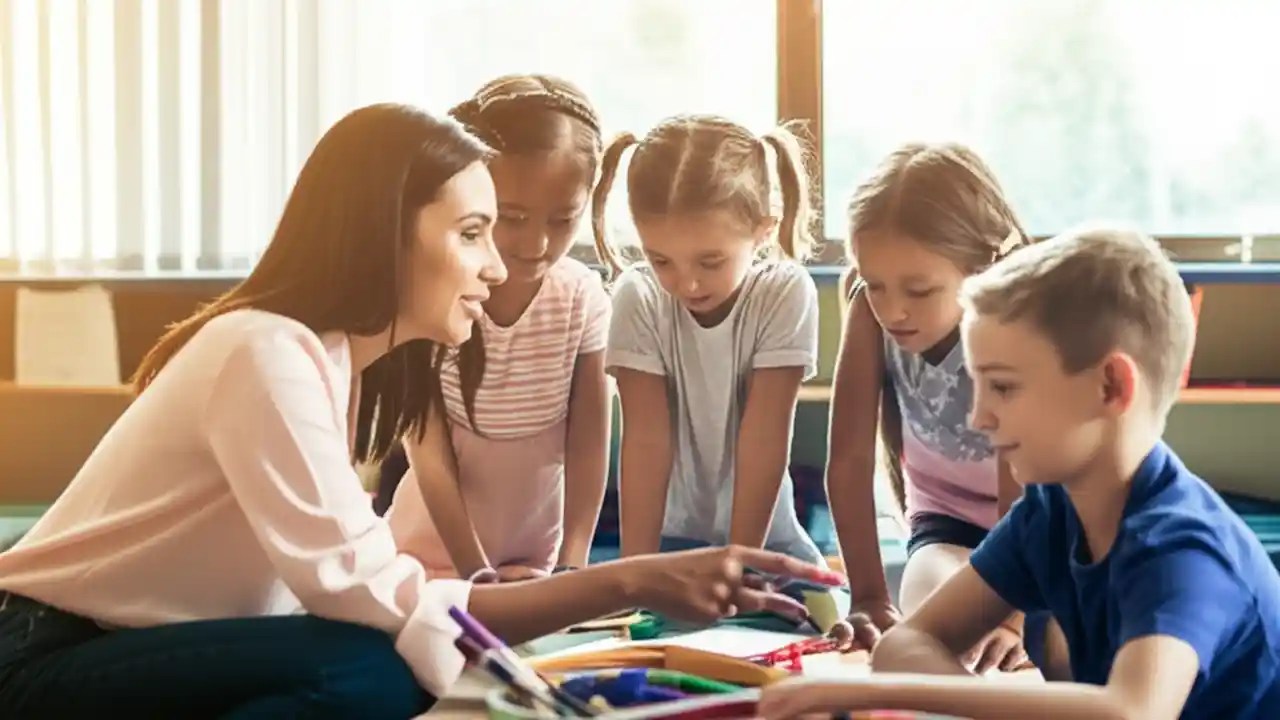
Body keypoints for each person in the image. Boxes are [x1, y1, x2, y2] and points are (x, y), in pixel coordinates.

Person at [0, 104, 842, 719]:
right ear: (389, 234)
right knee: (369, 667)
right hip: (45, 654)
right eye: (475, 232)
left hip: (127, 646)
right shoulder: (263, 352)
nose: (499, 265)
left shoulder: (340, 365)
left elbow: (358, 584)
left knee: (395, 664)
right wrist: (626, 578)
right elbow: (371, 589)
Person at [759, 226, 1280, 720]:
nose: (978, 416)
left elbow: (1131, 711)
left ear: (1110, 387)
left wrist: (868, 689)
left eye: (1003, 387)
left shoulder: (1183, 550)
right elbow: (908, 642)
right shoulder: (1049, 514)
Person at [379, 75, 611, 582]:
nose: (537, 243)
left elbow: (589, 441)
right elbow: (429, 452)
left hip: (534, 556)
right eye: (514, 216)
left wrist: (573, 563)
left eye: (562, 219)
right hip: (432, 552)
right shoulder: (435, 294)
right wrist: (474, 572)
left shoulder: (580, 298)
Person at [825, 143, 1032, 672]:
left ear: (981, 267)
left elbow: (1023, 484)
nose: (893, 308)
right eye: (875, 284)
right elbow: (847, 461)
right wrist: (870, 596)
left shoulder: (1015, 319)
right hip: (949, 526)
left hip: (1046, 528)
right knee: (933, 620)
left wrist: (1017, 618)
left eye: (919, 289)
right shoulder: (867, 316)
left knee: (1063, 639)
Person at [595, 115, 825, 565]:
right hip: (665, 546)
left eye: (711, 261)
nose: (689, 285)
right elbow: (645, 441)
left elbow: (765, 439)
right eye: (661, 260)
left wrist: (738, 563)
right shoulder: (638, 296)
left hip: (768, 546)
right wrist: (633, 573)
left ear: (763, 229)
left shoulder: (784, 292)